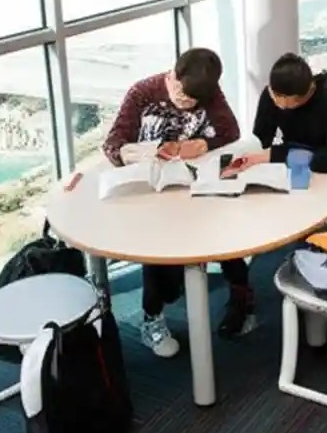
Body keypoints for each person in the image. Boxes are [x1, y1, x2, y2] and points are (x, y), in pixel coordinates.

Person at [100, 48, 252, 354]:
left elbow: (229, 130)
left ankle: (241, 295)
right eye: (181, 95)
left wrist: (204, 143)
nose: (184, 103)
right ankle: (151, 318)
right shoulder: (143, 93)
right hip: (151, 187)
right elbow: (113, 146)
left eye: (192, 102)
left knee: (226, 227)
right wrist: (152, 149)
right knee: (157, 251)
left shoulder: (207, 90)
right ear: (174, 75)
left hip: (192, 180)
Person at [230, 53, 327, 212]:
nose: (274, 100)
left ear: (301, 95)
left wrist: (276, 154)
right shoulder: (272, 95)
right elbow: (261, 140)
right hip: (296, 179)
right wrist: (248, 157)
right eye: (273, 93)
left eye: (280, 97)